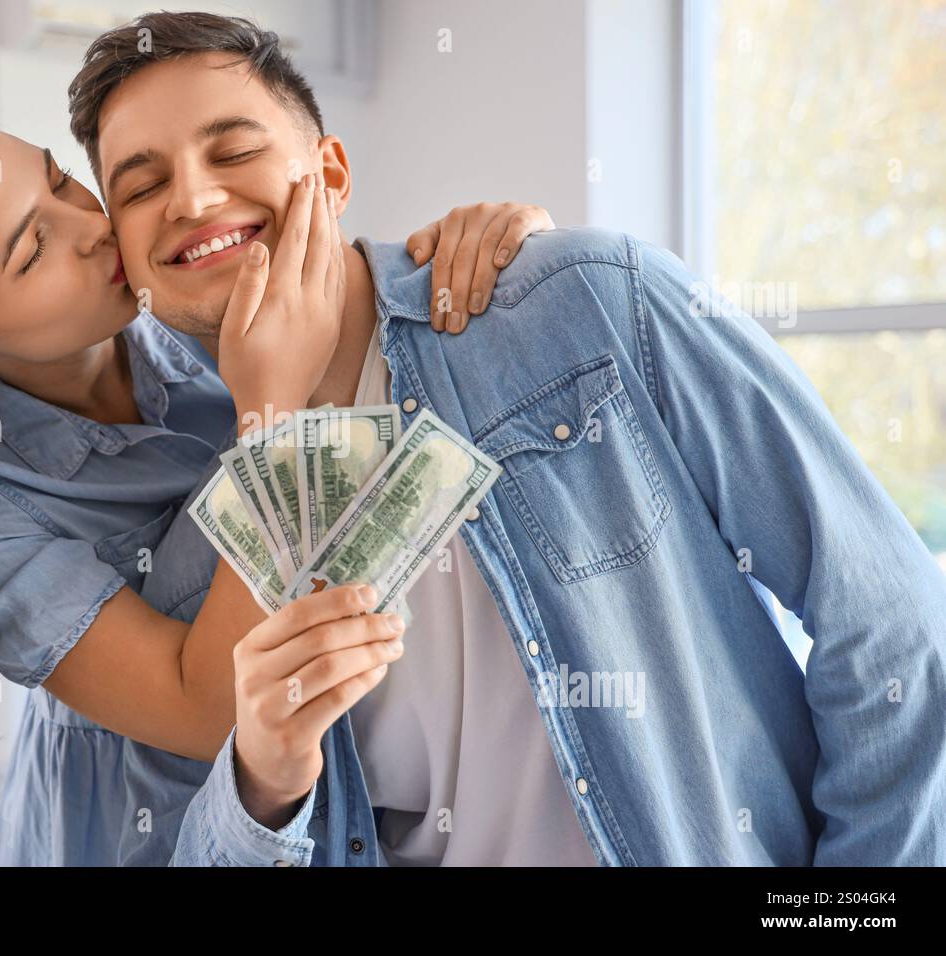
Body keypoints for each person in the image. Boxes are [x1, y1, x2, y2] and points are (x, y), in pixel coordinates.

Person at [66, 11, 946, 866]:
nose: (192, 197)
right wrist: (263, 787)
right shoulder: (196, 557)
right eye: (141, 187)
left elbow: (889, 620)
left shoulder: (583, 301)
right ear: (125, 253)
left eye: (235, 150)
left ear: (330, 176)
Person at [0, 104, 554, 865]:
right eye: (33, 249)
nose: (94, 228)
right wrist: (267, 414)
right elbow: (212, 709)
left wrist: (500, 264)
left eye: (60, 181)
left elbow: (366, 318)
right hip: (145, 820)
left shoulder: (185, 288)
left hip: (343, 788)